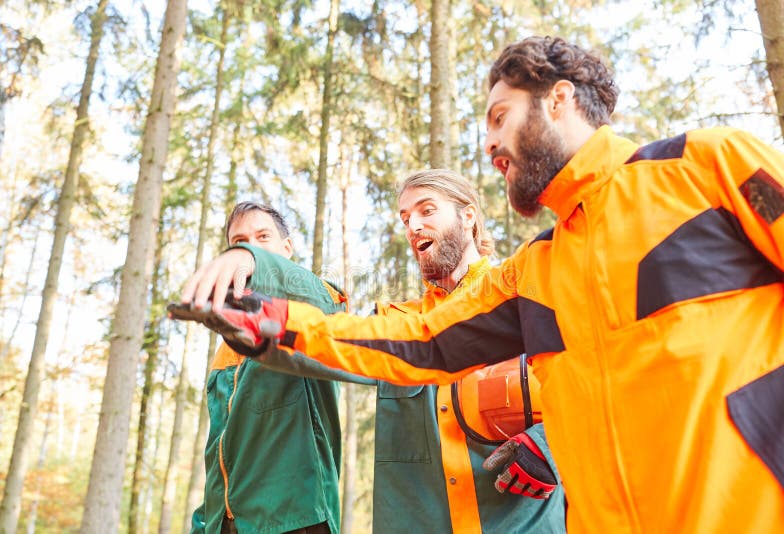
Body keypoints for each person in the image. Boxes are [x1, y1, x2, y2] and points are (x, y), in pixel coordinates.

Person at [179, 36, 784, 532]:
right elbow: (422, 341)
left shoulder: (706, 169)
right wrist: (280, 324)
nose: (490, 142)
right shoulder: (536, 272)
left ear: (559, 100)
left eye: (500, 118)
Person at [202, 169, 566, 533]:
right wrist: (258, 328)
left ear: (468, 216)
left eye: (426, 210)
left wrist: (550, 446)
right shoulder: (398, 323)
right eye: (406, 218)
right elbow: (331, 349)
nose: (413, 226)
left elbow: (596, 378)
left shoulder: (525, 297)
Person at [187, 202, 346, 534]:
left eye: (263, 237)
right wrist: (206, 522)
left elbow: (328, 303)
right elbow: (220, 447)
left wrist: (253, 259)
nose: (250, 245)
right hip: (228, 524)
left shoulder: (312, 304)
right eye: (240, 240)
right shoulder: (225, 349)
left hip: (296, 519)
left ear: (286, 249)